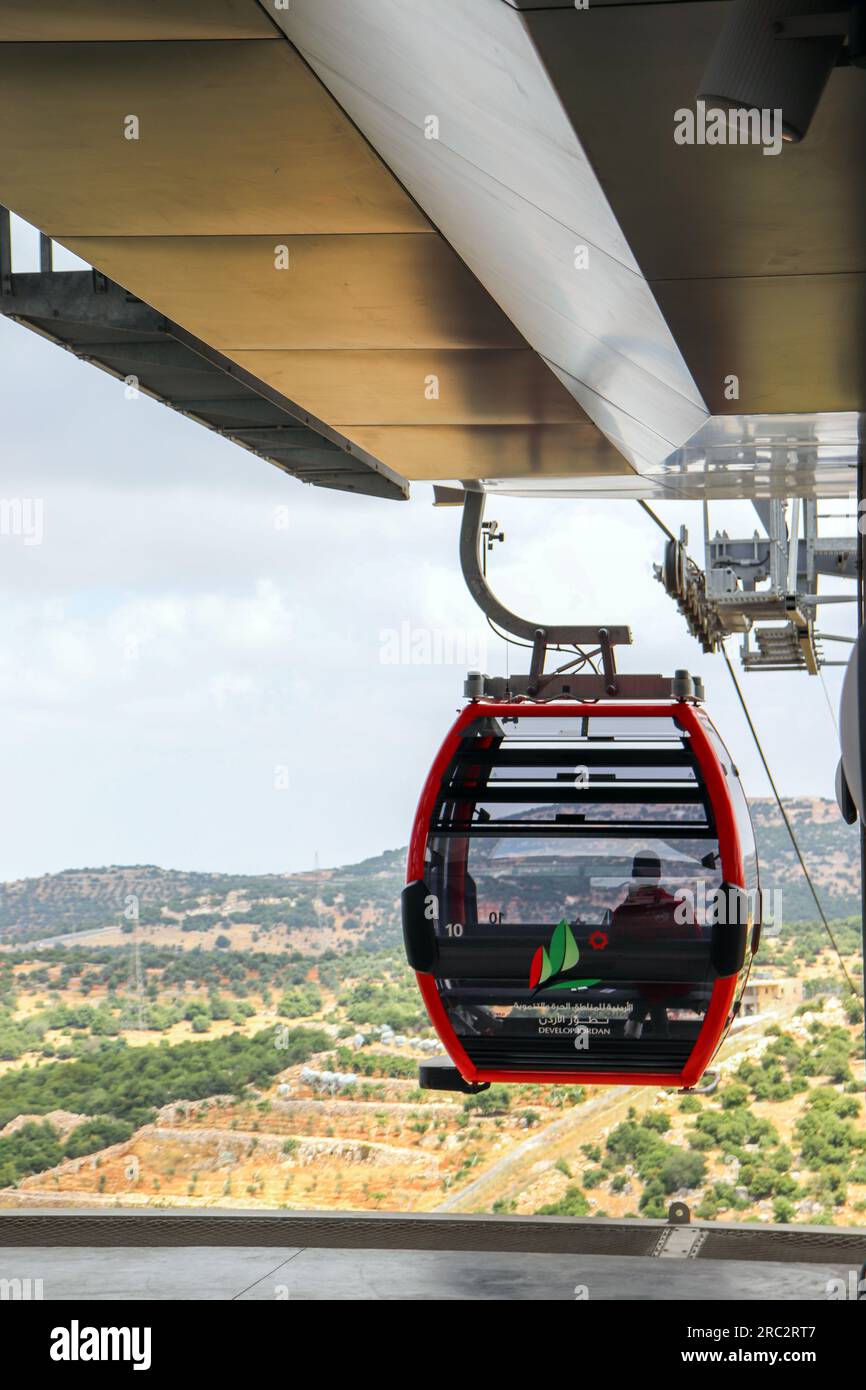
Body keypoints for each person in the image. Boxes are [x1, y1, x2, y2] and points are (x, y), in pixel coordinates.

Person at [611, 851, 695, 1039]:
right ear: (659, 875)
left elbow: (614, 942)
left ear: (634, 875)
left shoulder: (624, 912)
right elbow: (695, 938)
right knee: (656, 984)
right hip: (675, 984)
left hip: (639, 982)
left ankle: (634, 1027)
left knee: (648, 983)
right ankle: (653, 1032)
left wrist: (628, 902)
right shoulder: (679, 907)